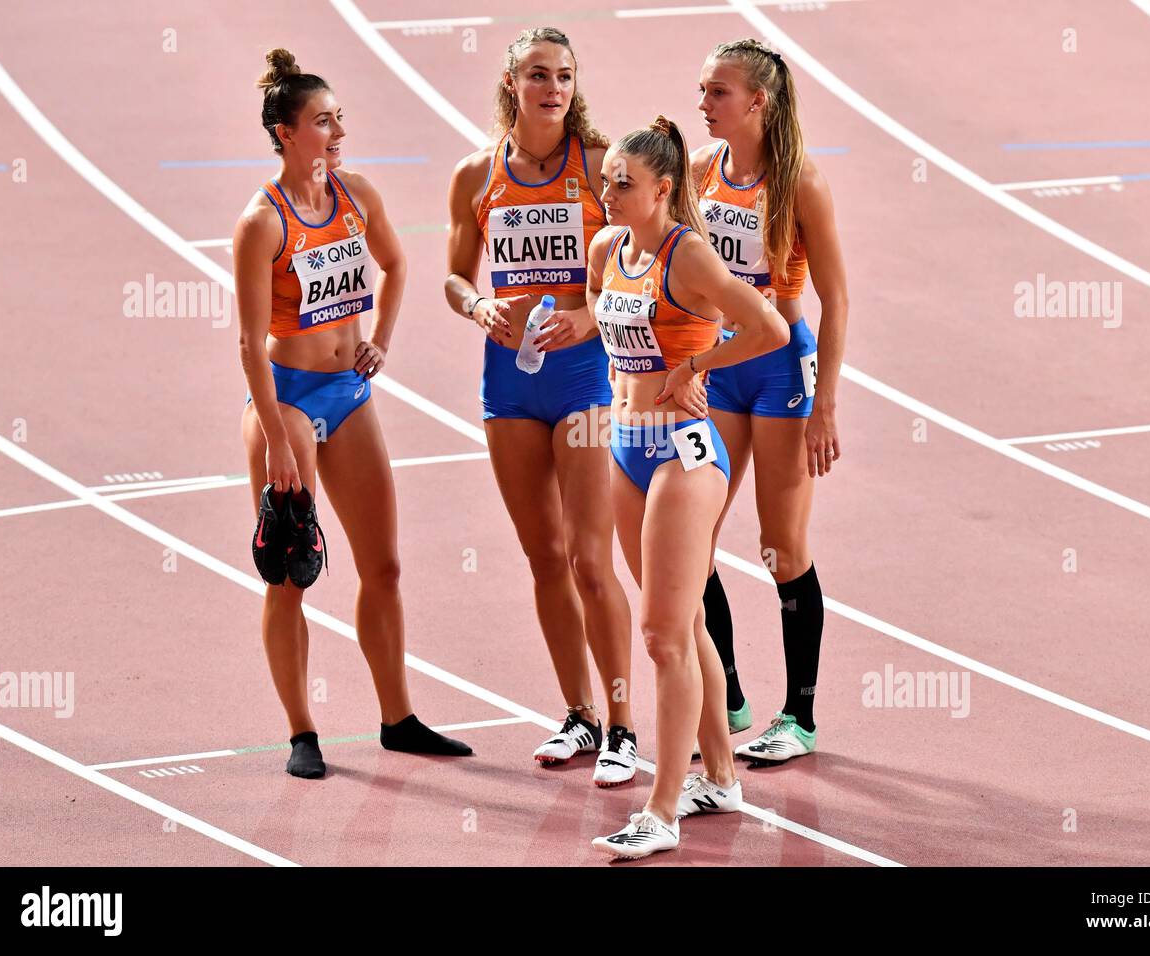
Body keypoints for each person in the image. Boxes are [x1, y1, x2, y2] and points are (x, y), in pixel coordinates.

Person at [236, 49, 470, 779]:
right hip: (286, 401)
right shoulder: (261, 223)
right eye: (322, 121)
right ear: (285, 132)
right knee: (291, 568)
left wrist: (381, 342)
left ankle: (397, 718)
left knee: (386, 566)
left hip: (351, 394)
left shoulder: (357, 194)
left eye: (340, 118)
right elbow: (247, 343)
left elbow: (398, 265)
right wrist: (276, 438)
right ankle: (303, 732)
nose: (337, 132)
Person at [588, 117, 790, 859]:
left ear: (664, 189)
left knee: (661, 633)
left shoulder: (690, 256)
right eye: (606, 178)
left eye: (623, 183)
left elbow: (768, 327)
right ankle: (723, 777)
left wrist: (698, 367)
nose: (606, 192)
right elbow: (602, 321)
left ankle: (663, 807)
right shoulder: (607, 248)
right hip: (625, 447)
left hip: (686, 452)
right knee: (686, 627)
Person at [444, 28, 638, 786]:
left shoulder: (601, 169)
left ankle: (624, 726)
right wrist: (476, 306)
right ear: (511, 83)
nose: (552, 88)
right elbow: (454, 277)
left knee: (593, 558)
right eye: (537, 75)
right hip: (508, 385)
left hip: (585, 378)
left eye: (563, 76)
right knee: (543, 557)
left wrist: (591, 319)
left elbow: (640, 265)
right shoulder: (475, 175)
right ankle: (580, 715)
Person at [693, 39, 850, 763]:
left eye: (717, 92)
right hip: (720, 365)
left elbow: (837, 297)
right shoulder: (700, 171)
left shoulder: (798, 182)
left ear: (757, 101)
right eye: (702, 91)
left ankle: (800, 717)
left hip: (781, 369)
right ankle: (725, 696)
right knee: (690, 539)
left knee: (781, 547)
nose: (705, 103)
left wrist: (825, 405)